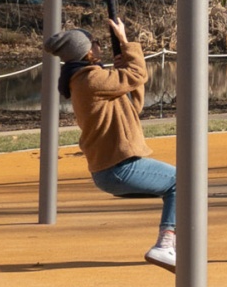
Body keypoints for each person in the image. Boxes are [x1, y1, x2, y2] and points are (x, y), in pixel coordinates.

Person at [44, 18, 178, 271]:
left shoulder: (88, 80)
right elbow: (138, 74)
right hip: (119, 168)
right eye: (94, 42)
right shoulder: (90, 79)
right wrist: (125, 43)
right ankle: (165, 245)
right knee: (182, 182)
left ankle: (173, 243)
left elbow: (133, 104)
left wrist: (124, 66)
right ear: (85, 51)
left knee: (177, 187)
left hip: (111, 169)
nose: (99, 45)